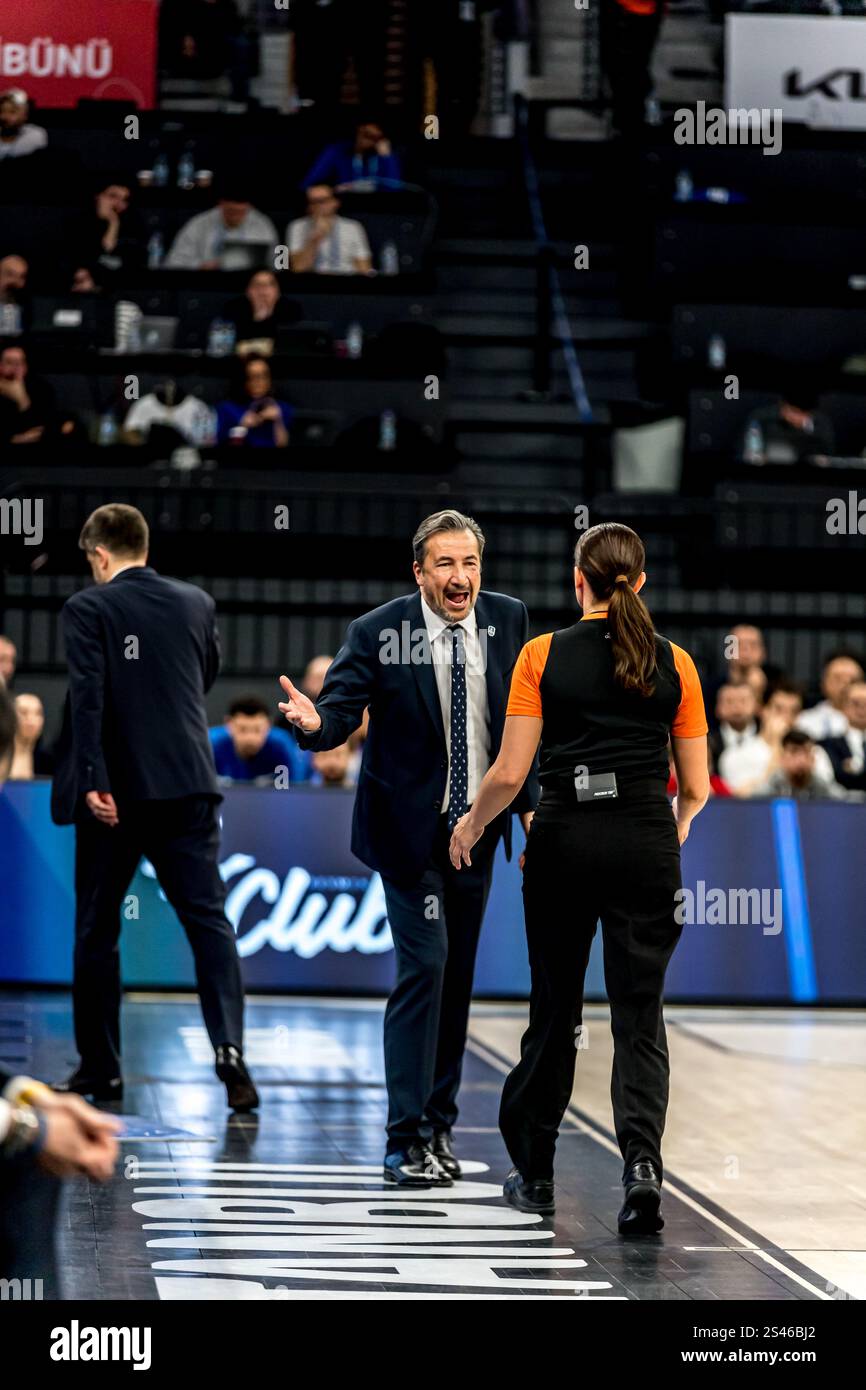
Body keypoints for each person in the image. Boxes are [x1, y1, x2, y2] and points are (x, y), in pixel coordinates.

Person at [449, 521, 709, 1234]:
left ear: (577, 581)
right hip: (645, 843)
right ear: (640, 583)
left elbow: (510, 774)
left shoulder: (541, 654)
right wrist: (675, 827)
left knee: (556, 1012)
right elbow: (695, 786)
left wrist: (470, 827)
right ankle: (642, 1168)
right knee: (639, 1015)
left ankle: (535, 1174)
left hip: (563, 841)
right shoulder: (677, 663)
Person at [279, 509, 537, 1187]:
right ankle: (403, 1139)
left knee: (456, 979)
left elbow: (523, 725)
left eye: (470, 562)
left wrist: (529, 812)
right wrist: (313, 724)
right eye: (446, 563)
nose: (461, 576)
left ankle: (439, 1126)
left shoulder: (508, 619)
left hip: (478, 830)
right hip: (407, 834)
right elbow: (338, 714)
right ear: (419, 571)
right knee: (426, 966)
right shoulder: (378, 631)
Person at [50, 504, 258, 1112]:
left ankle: (101, 1069)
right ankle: (230, 1048)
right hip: (187, 784)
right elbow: (203, 675)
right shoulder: (196, 602)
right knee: (209, 922)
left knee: (97, 930)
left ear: (99, 554)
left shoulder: (88, 607)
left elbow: (88, 696)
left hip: (115, 794)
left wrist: (95, 776)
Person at [210, 694, 311, 783]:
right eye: (242, 729)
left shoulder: (281, 745)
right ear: (229, 724)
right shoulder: (211, 744)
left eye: (257, 730)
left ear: (268, 725)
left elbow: (294, 788)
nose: (250, 738)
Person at [164, 192, 277, 271]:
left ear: (249, 207)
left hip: (249, 286)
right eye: (231, 212)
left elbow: (277, 263)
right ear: (221, 204)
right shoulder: (199, 224)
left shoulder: (262, 225)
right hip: (205, 285)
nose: (236, 217)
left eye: (241, 212)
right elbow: (173, 262)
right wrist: (200, 266)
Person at [739, 378, 836, 466]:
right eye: (794, 412)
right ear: (783, 405)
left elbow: (828, 454)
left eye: (803, 414)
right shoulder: (761, 418)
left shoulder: (822, 422)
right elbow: (751, 453)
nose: (797, 418)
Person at [287, 185, 372, 276]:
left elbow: (364, 267)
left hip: (347, 278)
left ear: (335, 202)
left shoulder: (353, 227)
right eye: (312, 202)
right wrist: (316, 238)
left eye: (322, 201)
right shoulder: (297, 226)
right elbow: (298, 268)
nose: (317, 206)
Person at [302, 118, 403, 191]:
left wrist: (387, 158)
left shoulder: (385, 156)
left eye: (373, 137)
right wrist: (332, 190)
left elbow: (394, 188)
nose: (365, 140)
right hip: (343, 203)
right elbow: (309, 183)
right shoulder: (337, 151)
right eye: (364, 134)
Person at [216, 353, 293, 447]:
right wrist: (242, 426)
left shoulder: (282, 408)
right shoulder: (227, 408)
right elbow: (217, 440)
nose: (259, 382)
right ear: (243, 379)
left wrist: (278, 421)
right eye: (253, 376)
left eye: (264, 376)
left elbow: (283, 444)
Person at [753, 729, 850, 801]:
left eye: (805, 752)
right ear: (782, 759)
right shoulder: (773, 785)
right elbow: (752, 802)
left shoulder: (821, 785)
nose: (801, 759)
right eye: (794, 752)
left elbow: (847, 799)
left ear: (813, 759)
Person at [223, 269, 303, 354]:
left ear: (278, 292)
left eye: (269, 284)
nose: (263, 289)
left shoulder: (292, 314)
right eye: (257, 284)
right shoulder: (232, 312)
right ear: (248, 291)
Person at [797, 650, 864, 742]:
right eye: (838, 678)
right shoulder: (805, 721)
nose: (845, 684)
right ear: (823, 683)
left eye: (853, 680)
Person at [0, 343, 57, 445]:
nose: (15, 368)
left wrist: (22, 400)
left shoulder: (41, 389)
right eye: (9, 362)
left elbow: (42, 427)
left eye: (19, 363)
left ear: (25, 366)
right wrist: (17, 439)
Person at [820, 679, 866, 794]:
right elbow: (835, 778)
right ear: (843, 706)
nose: (862, 709)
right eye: (856, 703)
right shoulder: (828, 745)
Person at [708, 681, 759, 767]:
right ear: (717, 708)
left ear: (756, 705)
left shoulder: (766, 738)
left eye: (743, 701)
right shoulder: (709, 743)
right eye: (729, 702)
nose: (737, 707)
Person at [9, 691, 53, 778]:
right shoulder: (3, 758)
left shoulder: (49, 762)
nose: (31, 720)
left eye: (38, 713)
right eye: (23, 713)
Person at [0, 89, 47, 161]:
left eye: (12, 112)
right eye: (1, 111)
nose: (4, 117)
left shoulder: (35, 134)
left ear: (25, 115)